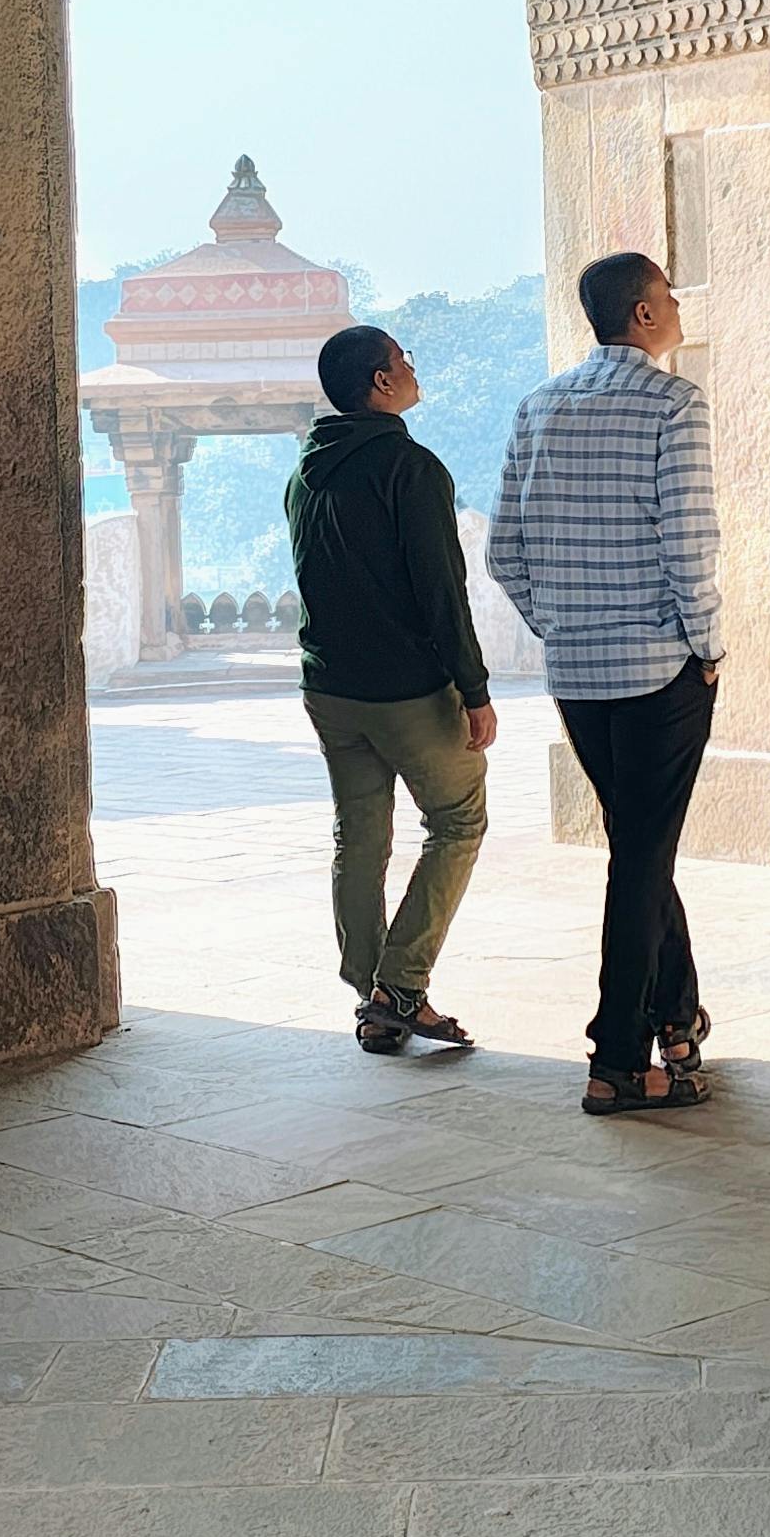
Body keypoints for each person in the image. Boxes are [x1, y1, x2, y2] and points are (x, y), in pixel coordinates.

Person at [487, 251, 721, 1113]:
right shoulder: (674, 406)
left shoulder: (538, 406)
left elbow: (503, 552)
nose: (677, 305)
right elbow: (689, 544)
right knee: (639, 855)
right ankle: (616, 1057)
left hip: (579, 672)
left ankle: (678, 1016)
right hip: (662, 668)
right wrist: (707, 645)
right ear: (646, 314)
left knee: (640, 847)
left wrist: (563, 626)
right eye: (669, 294)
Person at [285, 322, 498, 1055]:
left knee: (361, 834)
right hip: (406, 692)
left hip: (329, 689)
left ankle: (371, 997)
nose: (411, 369)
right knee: (457, 823)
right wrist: (474, 689)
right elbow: (442, 591)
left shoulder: (305, 472)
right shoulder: (410, 467)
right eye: (403, 360)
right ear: (381, 383)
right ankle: (399, 988)